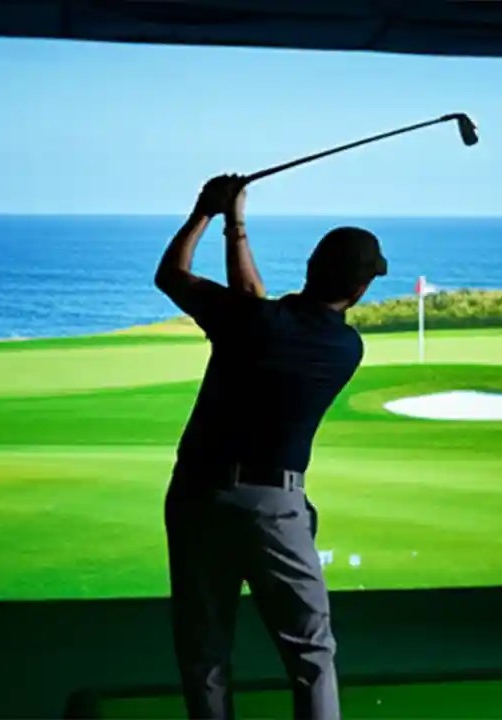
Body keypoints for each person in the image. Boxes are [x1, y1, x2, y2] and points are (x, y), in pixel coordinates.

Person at [154, 174, 387, 719]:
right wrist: (233, 222)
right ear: (358, 291)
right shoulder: (345, 348)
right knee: (310, 653)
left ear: (310, 268)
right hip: (274, 509)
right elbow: (254, 303)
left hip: (196, 498)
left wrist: (209, 213)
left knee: (204, 651)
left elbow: (173, 275)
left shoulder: (251, 321)